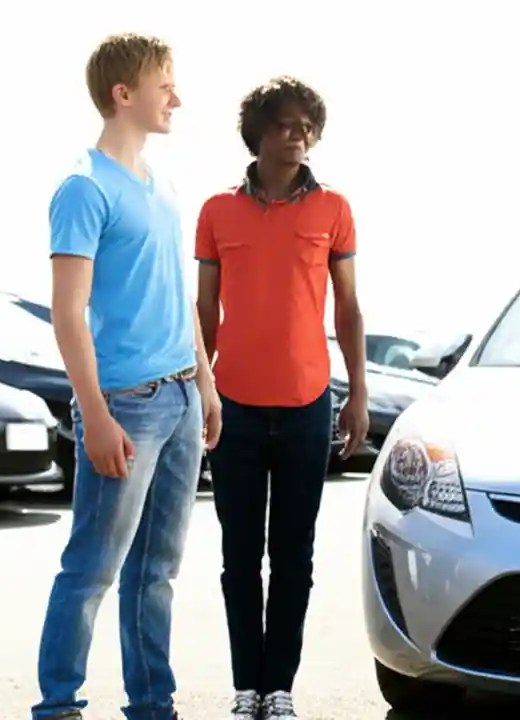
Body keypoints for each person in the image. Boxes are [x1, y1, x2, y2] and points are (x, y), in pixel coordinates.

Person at [31, 32, 221, 720]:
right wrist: (97, 415)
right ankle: (59, 706)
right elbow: (68, 313)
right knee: (92, 570)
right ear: (123, 93)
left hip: (176, 398)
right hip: (125, 406)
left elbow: (178, 296)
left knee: (157, 574)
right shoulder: (83, 188)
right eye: (164, 83)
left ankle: (152, 705)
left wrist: (203, 381)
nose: (176, 97)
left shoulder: (163, 186)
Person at [194, 75, 369, 720]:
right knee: (239, 554)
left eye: (307, 126)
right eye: (286, 124)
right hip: (234, 406)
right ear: (259, 131)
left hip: (306, 404)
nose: (299, 136)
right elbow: (204, 310)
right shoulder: (217, 211)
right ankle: (246, 687)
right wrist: (201, 387)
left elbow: (348, 306)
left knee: (294, 554)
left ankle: (280, 689)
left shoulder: (334, 209)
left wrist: (357, 393)